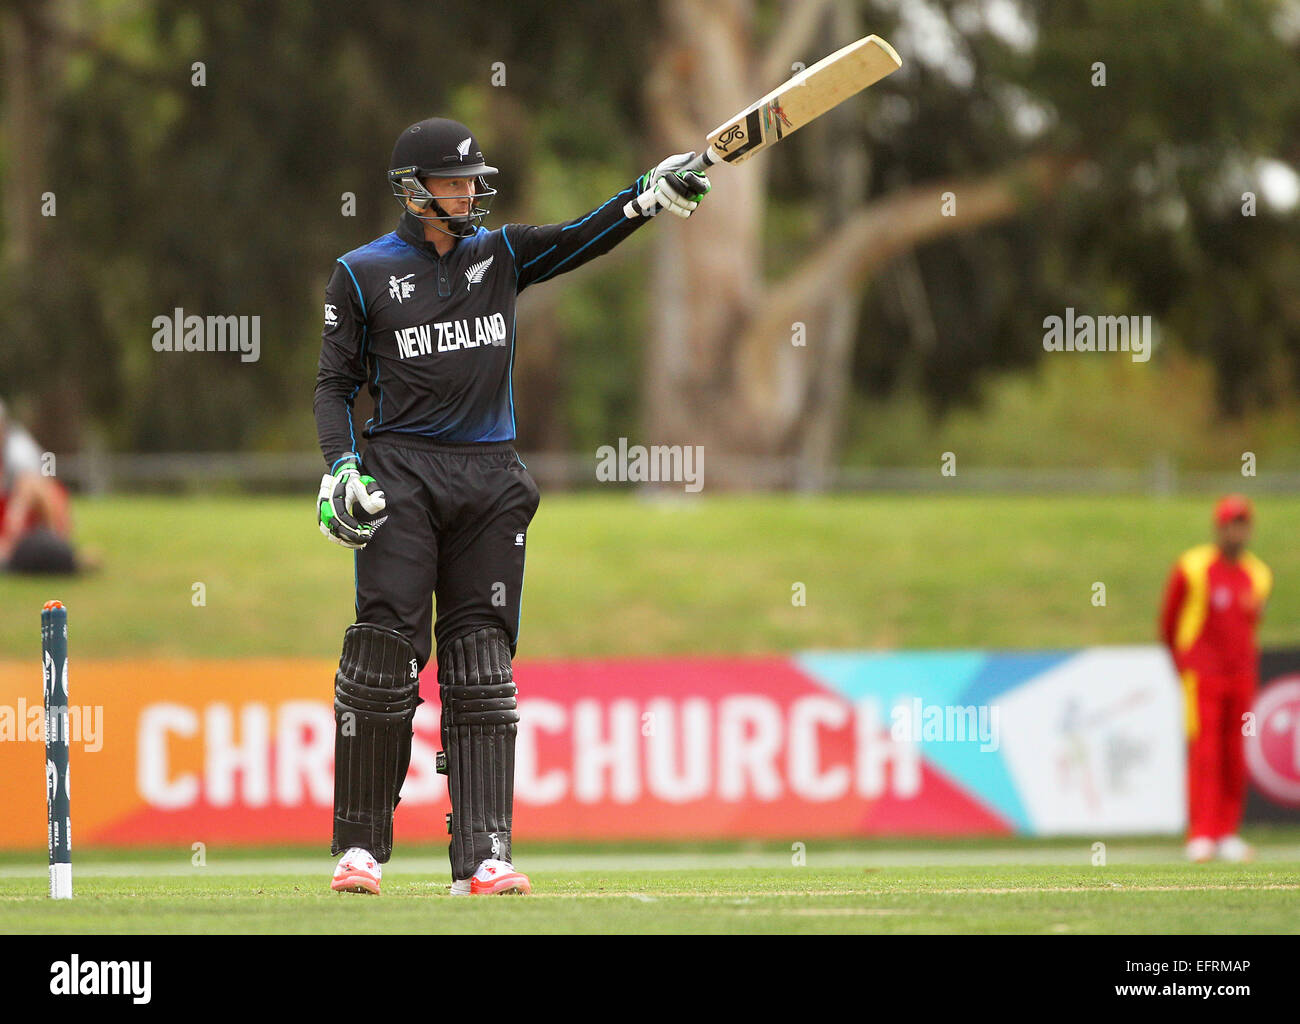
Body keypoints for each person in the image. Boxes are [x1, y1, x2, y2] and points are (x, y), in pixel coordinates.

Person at [314, 117, 710, 895]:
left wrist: (646, 197)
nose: (468, 193)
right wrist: (340, 470)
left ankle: (482, 859)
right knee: (384, 653)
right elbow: (333, 387)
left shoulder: (499, 256)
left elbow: (579, 237)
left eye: (472, 181)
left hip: (491, 479)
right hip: (401, 476)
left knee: (482, 662)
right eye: (454, 182)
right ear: (414, 190)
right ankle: (359, 849)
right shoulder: (360, 273)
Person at [1159, 495, 1271, 863]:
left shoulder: (1258, 574)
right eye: (1230, 523)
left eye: (1242, 523)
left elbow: (1250, 625)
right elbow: (1170, 621)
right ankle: (1202, 833)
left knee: (1234, 752)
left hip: (1240, 676)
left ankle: (1226, 832)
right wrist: (1184, 665)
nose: (1236, 531)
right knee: (1205, 751)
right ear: (1218, 527)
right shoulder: (1193, 567)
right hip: (1202, 676)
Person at [0, 399, 77, 575]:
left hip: (38, 510)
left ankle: (56, 544)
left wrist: (12, 528)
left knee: (31, 485)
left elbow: (32, 487)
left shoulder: (18, 449)